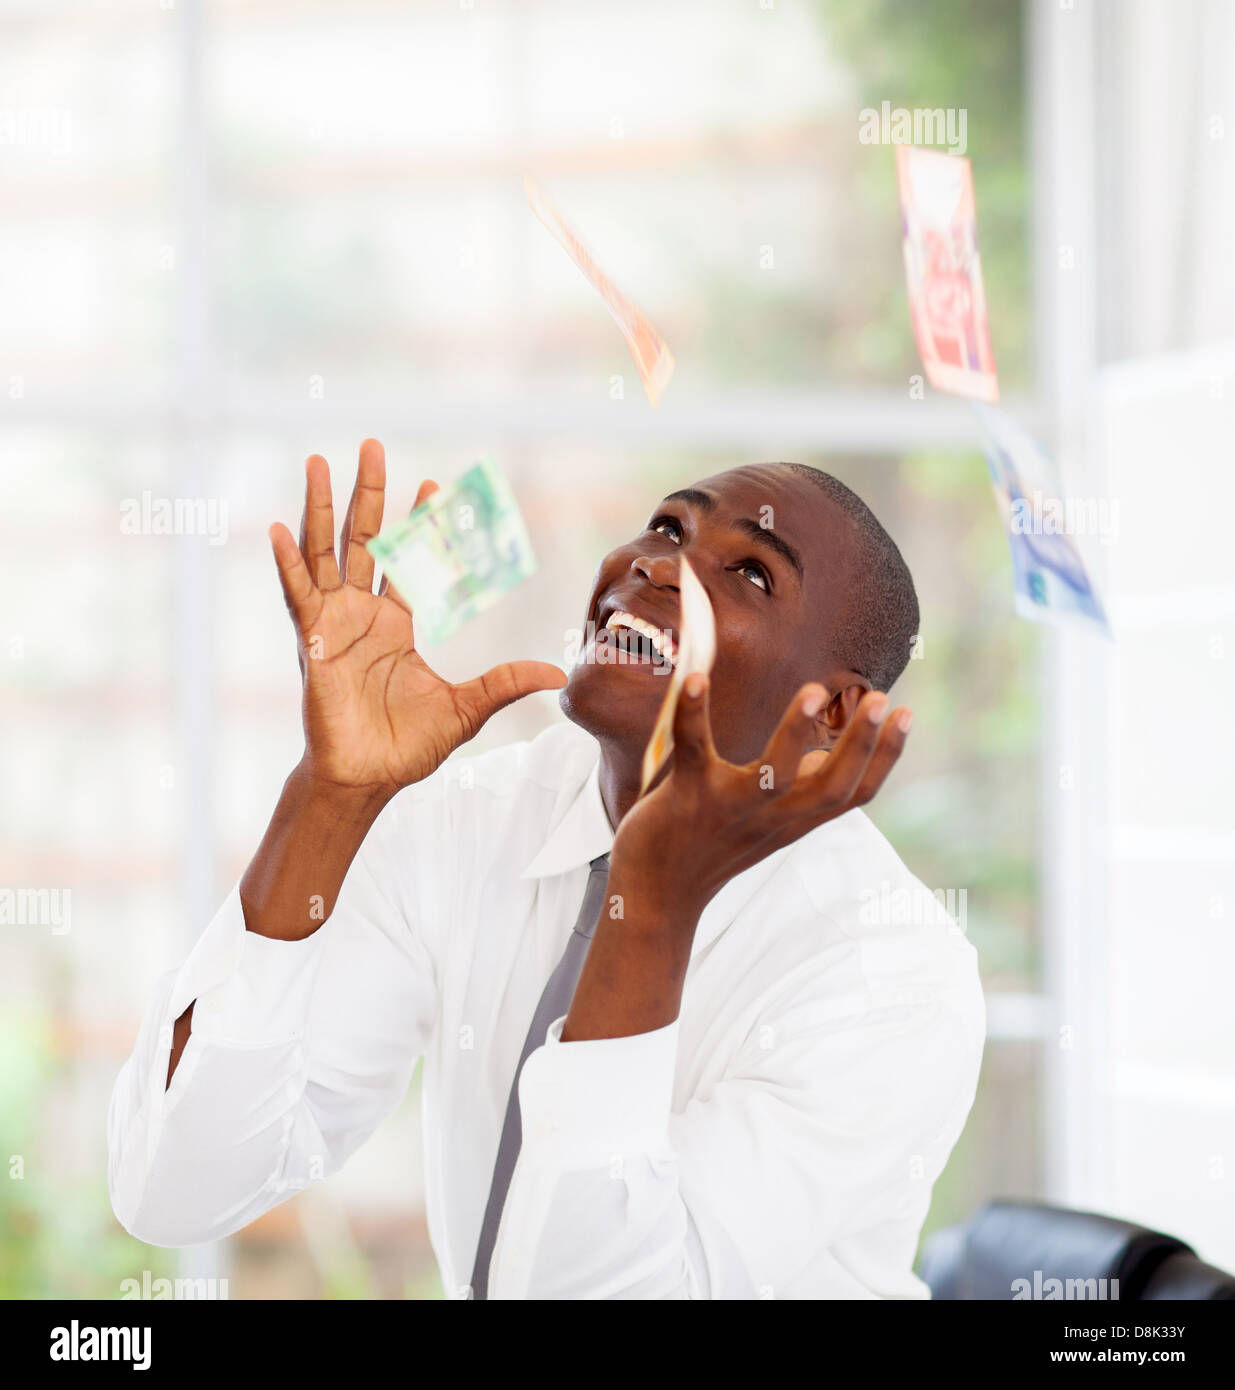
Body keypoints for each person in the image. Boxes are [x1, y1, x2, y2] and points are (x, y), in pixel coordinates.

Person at [107, 439, 985, 1300]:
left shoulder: (890, 973)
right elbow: (175, 1188)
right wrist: (330, 797)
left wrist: (648, 904)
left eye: (751, 573)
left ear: (830, 711)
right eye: (667, 528)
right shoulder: (470, 819)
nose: (658, 566)